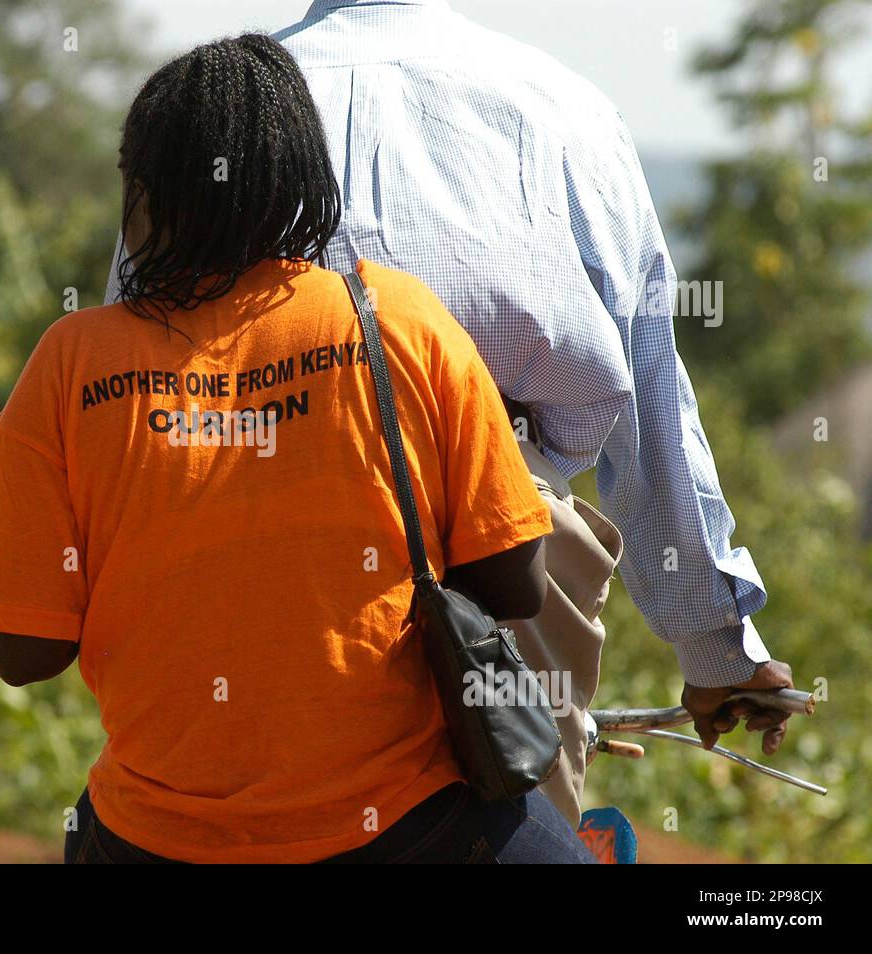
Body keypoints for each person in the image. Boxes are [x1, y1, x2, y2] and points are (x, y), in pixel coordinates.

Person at [105, 0, 794, 828]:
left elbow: (133, 363)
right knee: (510, 827)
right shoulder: (566, 108)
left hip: (234, 530)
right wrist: (715, 646)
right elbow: (651, 411)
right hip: (507, 528)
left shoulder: (206, 112)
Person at [0, 33, 594, 863]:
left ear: (145, 196)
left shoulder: (71, 364)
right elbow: (514, 582)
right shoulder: (396, 320)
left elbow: (23, 652)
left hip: (153, 840)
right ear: (297, 182)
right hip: (409, 827)